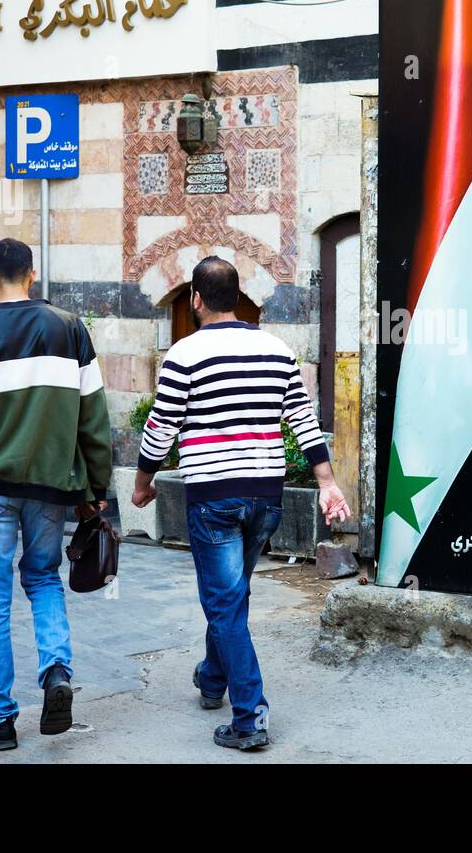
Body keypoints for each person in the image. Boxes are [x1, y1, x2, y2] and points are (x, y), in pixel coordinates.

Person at [132, 256, 350, 751]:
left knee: (225, 601)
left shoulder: (184, 356)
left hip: (214, 496)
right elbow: (303, 421)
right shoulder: (277, 352)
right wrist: (326, 482)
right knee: (231, 595)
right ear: (239, 298)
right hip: (265, 497)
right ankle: (212, 679)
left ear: (196, 299)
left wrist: (142, 483)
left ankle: (249, 717)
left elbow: (161, 427)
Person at [0, 238, 113, 750]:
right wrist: (96, 487)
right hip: (53, 486)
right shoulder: (70, 328)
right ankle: (56, 672)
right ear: (31, 275)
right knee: (42, 577)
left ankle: (0, 719)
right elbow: (94, 418)